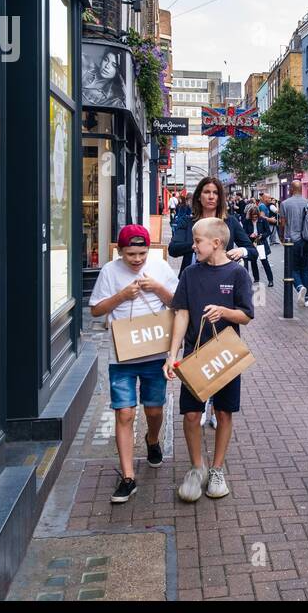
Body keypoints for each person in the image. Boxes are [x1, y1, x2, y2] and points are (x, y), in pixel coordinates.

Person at [162, 218, 254, 502]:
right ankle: (196, 467)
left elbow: (246, 315)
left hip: (225, 354)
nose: (193, 245)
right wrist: (172, 354)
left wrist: (224, 312)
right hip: (195, 355)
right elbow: (181, 312)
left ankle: (216, 469)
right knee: (191, 413)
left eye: (198, 240)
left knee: (224, 412)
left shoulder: (238, 274)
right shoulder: (190, 273)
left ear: (216, 243)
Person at [90, 225, 178, 504]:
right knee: (125, 414)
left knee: (154, 410)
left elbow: (178, 303)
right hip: (122, 355)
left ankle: (153, 440)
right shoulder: (109, 271)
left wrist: (158, 288)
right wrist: (122, 296)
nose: (137, 259)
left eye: (142, 253)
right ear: (120, 251)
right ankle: (128, 477)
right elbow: (95, 310)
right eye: (131, 254)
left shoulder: (160, 267)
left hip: (154, 354)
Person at [179, 177, 256, 278]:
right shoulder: (188, 221)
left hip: (223, 280)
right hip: (192, 280)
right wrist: (200, 245)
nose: (211, 197)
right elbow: (173, 249)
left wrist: (241, 251)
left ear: (220, 198)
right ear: (198, 196)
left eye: (215, 193)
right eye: (207, 192)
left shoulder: (230, 221)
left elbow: (253, 252)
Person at [280, 180, 308, 307]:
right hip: (307, 239)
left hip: (292, 241)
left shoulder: (285, 204)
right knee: (305, 268)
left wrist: (281, 237)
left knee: (292, 268)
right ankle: (307, 299)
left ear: (291, 189)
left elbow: (282, 223)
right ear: (301, 189)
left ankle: (299, 287)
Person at [245, 205, 274, 287]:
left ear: (258, 215)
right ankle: (256, 279)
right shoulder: (247, 221)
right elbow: (243, 233)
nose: (254, 218)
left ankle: (270, 280)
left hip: (260, 242)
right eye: (252, 217)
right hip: (252, 243)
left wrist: (262, 236)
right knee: (253, 262)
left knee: (264, 261)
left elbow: (268, 231)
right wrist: (249, 235)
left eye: (255, 217)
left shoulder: (263, 220)